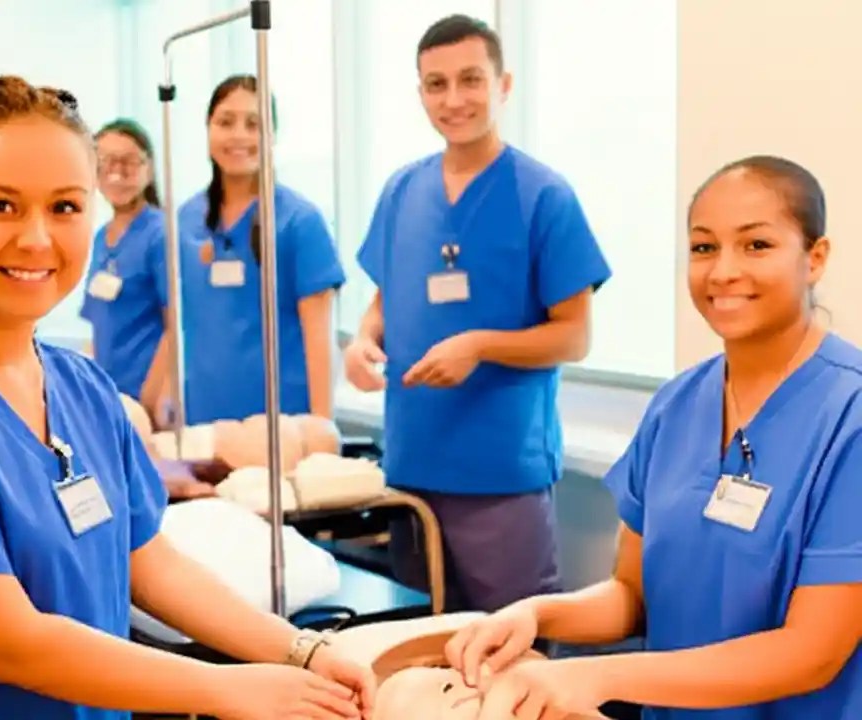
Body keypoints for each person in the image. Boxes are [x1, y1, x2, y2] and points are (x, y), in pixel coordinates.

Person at [0, 70, 375, 720]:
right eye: (0, 206)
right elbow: (8, 644)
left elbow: (152, 564)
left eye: (65, 207)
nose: (36, 238)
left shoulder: (84, 390)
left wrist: (300, 650)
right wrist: (229, 689)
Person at [444, 155, 862, 719]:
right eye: (704, 247)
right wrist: (535, 615)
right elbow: (632, 596)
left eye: (756, 245)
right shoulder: (676, 407)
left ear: (815, 257)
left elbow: (812, 653)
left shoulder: (848, 416)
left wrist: (597, 675)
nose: (723, 271)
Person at [344, 15, 611, 614]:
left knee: (511, 642)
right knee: (421, 637)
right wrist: (362, 341)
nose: (454, 99)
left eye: (470, 80)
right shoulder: (401, 192)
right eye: (436, 85)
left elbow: (574, 336)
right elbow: (385, 300)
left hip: (499, 470)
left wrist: (480, 345)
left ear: (503, 85)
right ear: (420, 94)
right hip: (412, 463)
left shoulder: (543, 196)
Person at [176, 74, 345, 425]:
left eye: (254, 124)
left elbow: (319, 341)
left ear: (273, 136)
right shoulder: (187, 219)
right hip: (203, 422)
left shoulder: (299, 221)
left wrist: (322, 429)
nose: (239, 135)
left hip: (283, 427)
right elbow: (178, 323)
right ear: (208, 130)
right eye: (225, 122)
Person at [80, 118, 169, 413]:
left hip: (145, 398)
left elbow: (176, 328)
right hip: (109, 396)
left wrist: (150, 401)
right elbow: (98, 324)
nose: (117, 172)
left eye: (129, 161)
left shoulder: (160, 234)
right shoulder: (100, 238)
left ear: (149, 168)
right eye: (105, 161)